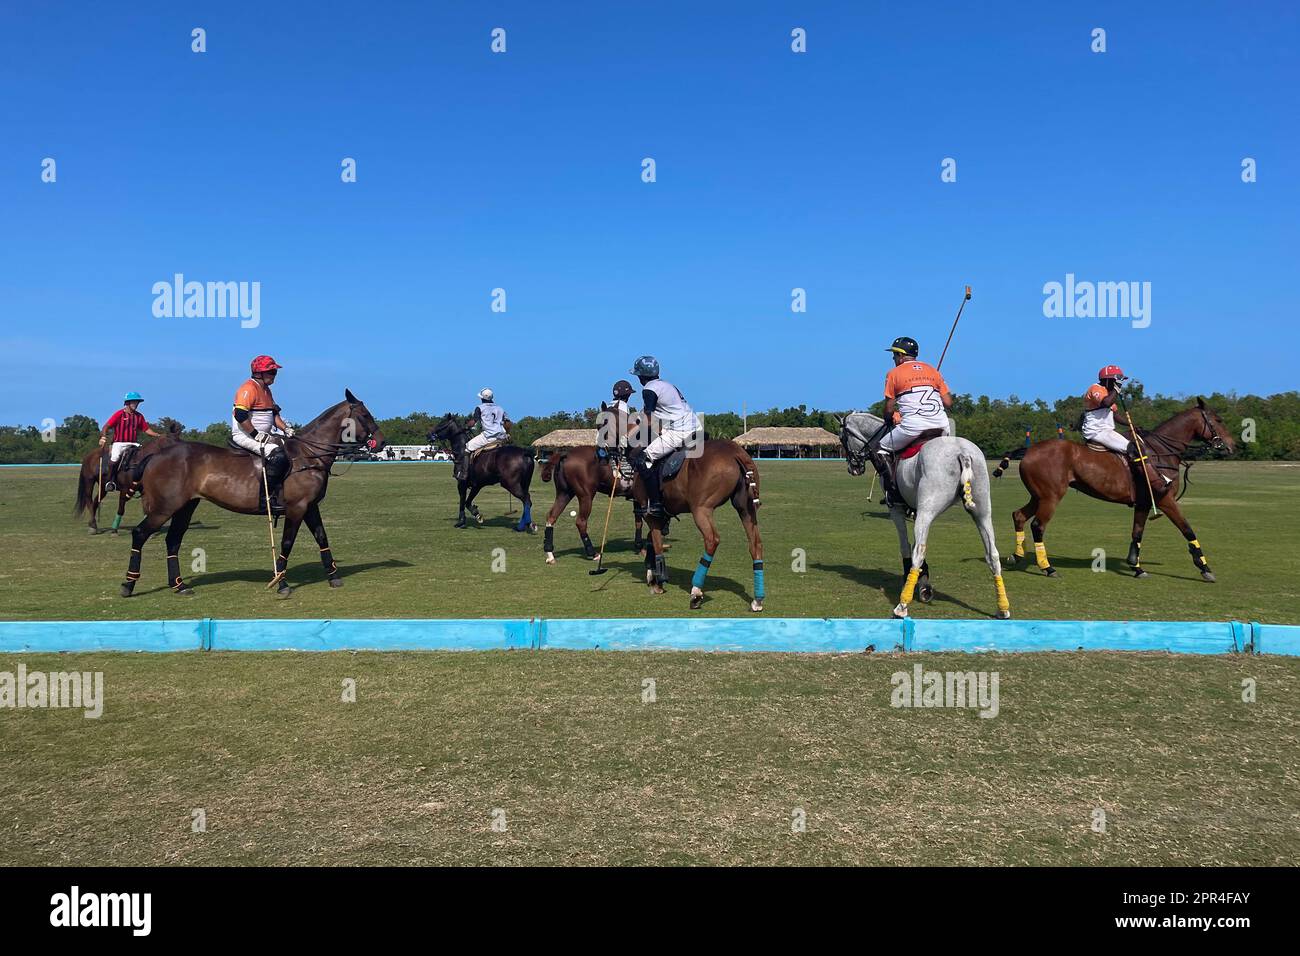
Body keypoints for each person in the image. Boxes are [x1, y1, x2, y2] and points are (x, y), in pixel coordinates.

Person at [868, 336, 953, 507]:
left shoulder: (893, 374)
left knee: (878, 449)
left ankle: (893, 492)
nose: (893, 359)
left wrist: (888, 418)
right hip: (943, 426)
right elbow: (948, 403)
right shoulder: (933, 371)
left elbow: (889, 407)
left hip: (914, 427)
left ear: (901, 355)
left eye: (894, 355)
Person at [629, 356, 700, 520]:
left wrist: (631, 437)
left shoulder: (649, 389)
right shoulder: (667, 385)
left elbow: (648, 419)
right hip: (694, 426)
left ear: (641, 376)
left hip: (678, 431)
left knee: (642, 460)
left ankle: (655, 504)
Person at [1080, 365, 1170, 491]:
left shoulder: (1109, 394)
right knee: (1132, 448)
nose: (1117, 383)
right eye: (1115, 381)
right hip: (1097, 431)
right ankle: (1153, 482)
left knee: (1138, 443)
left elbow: (1115, 415)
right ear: (1107, 380)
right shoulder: (1096, 388)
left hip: (1106, 431)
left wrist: (1131, 425)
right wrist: (1117, 388)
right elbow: (1106, 403)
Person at [231, 355, 294, 514]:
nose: (274, 375)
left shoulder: (267, 390)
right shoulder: (248, 388)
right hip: (245, 435)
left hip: (265, 435)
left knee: (293, 449)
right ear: (259, 373)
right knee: (278, 456)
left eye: (274, 372)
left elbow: (273, 416)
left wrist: (286, 429)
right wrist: (255, 434)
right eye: (272, 371)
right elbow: (240, 415)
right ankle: (265, 499)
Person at [98, 391, 164, 491]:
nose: (136, 404)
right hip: (119, 443)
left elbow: (146, 429)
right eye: (134, 402)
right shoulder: (119, 414)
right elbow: (106, 426)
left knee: (145, 456)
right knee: (114, 459)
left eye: (137, 402)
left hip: (133, 443)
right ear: (127, 403)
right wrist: (103, 437)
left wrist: (158, 435)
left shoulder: (139, 416)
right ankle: (110, 481)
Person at [459, 387, 509, 480]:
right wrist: (507, 433)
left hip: (488, 436)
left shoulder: (480, 408)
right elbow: (508, 422)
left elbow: (474, 421)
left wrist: (465, 427)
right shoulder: (500, 408)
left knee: (467, 447)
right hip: (502, 436)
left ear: (482, 398)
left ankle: (464, 474)